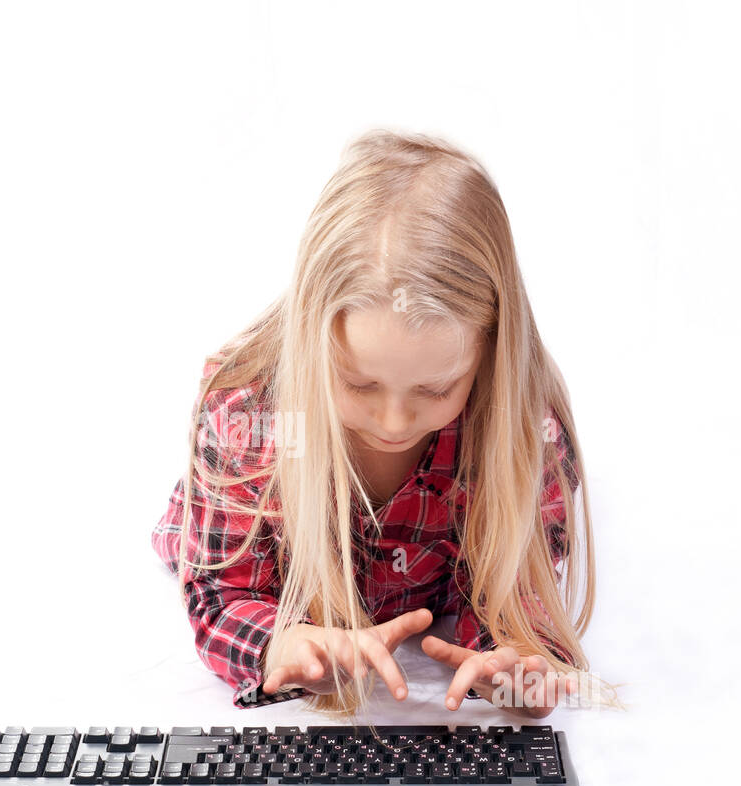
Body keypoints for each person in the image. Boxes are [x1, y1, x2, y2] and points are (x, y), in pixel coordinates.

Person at [152, 129, 615, 720]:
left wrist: (518, 663)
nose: (394, 420)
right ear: (311, 340)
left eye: (434, 389)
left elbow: (520, 599)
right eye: (359, 383)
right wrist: (282, 644)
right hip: (249, 535)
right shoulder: (252, 419)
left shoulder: (526, 437)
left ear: (489, 352)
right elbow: (222, 592)